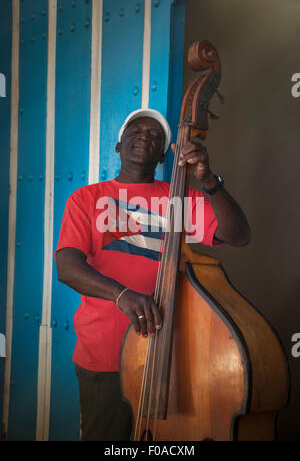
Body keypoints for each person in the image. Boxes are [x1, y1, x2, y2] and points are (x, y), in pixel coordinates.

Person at [54, 108, 250, 441]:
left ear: (162, 155)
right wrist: (122, 295)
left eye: (155, 134)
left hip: (171, 352)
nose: (145, 135)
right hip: (105, 353)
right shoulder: (87, 199)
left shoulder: (181, 199)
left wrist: (207, 179)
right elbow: (67, 266)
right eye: (135, 130)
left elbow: (238, 235)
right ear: (118, 146)